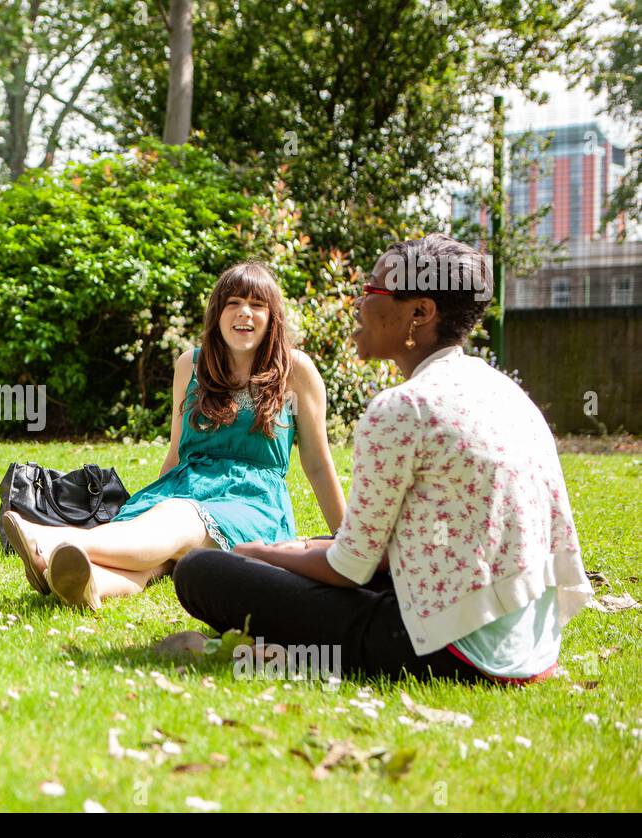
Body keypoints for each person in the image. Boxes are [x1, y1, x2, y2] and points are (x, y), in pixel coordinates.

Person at [173, 234, 593, 683]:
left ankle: (283, 656)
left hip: (448, 651)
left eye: (372, 290)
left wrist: (258, 552)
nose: (358, 303)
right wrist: (292, 551)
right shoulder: (506, 392)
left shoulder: (404, 407)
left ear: (420, 312)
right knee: (303, 547)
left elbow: (349, 569)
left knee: (202, 570)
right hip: (527, 641)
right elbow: (397, 548)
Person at [2, 262, 345, 610]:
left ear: (272, 317)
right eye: (234, 303)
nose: (245, 312)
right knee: (159, 556)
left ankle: (45, 540)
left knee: (181, 519)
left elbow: (317, 464)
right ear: (217, 313)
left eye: (258, 305)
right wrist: (153, 499)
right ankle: (86, 583)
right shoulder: (190, 366)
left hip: (250, 500)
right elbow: (177, 451)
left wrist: (349, 542)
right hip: (186, 484)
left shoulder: (295, 371)